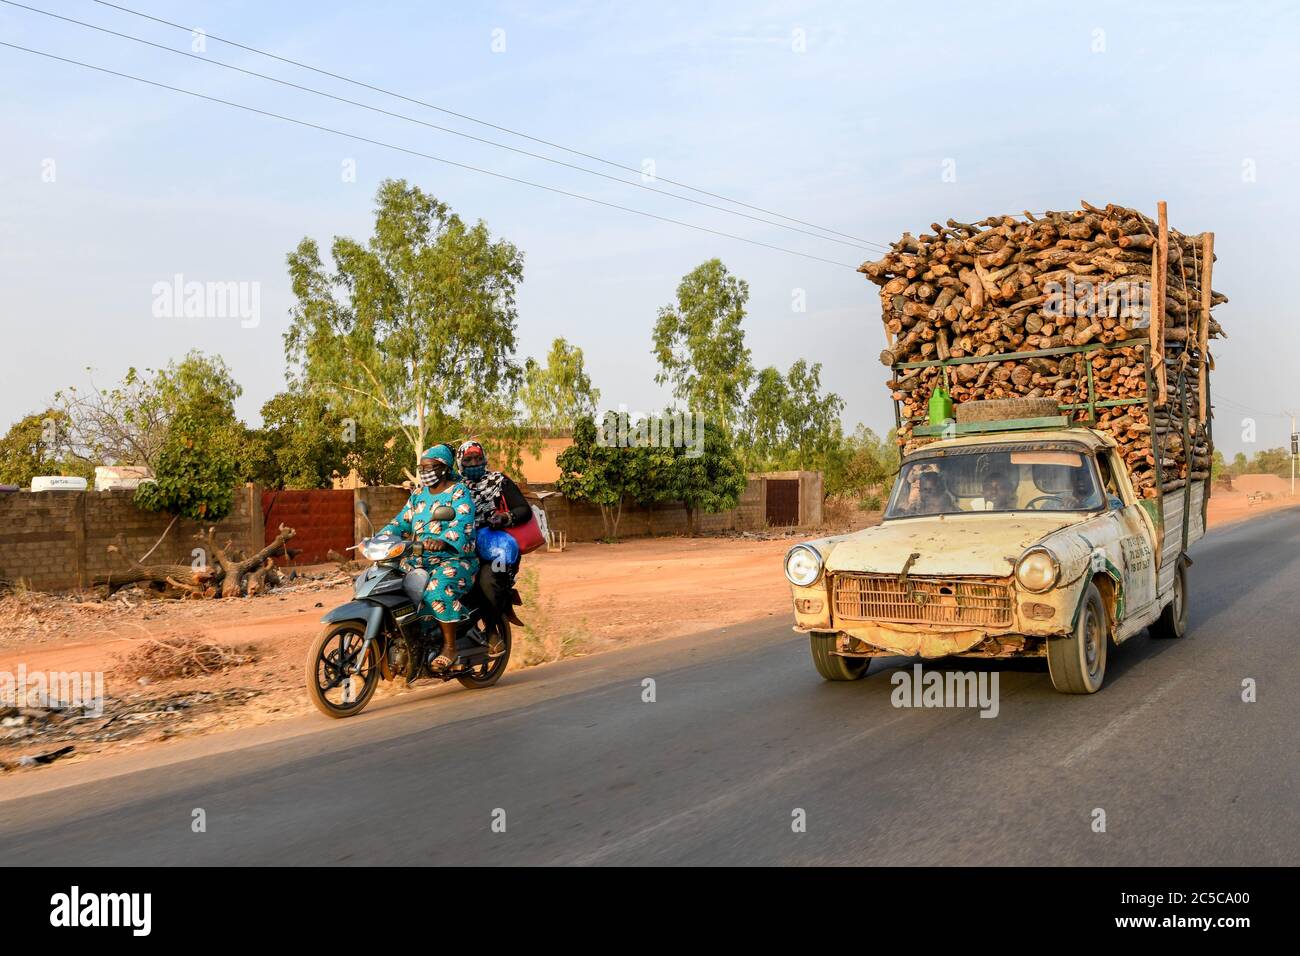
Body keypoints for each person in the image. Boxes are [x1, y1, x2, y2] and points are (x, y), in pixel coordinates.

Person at [378, 445, 478, 672]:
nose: (424, 472)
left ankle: (450, 648)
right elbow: (399, 523)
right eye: (420, 468)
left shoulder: (458, 492)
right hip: (419, 558)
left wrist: (442, 541)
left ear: (443, 468)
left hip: (454, 559)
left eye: (429, 467)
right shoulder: (417, 495)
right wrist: (377, 539)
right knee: (391, 586)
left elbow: (463, 523)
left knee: (436, 589)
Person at [456, 440, 530, 626]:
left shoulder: (499, 482)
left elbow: (524, 510)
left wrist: (504, 517)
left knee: (487, 581)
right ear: (459, 463)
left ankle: (492, 633)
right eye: (468, 459)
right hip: (462, 548)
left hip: (498, 550)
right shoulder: (454, 488)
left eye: (478, 458)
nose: (474, 463)